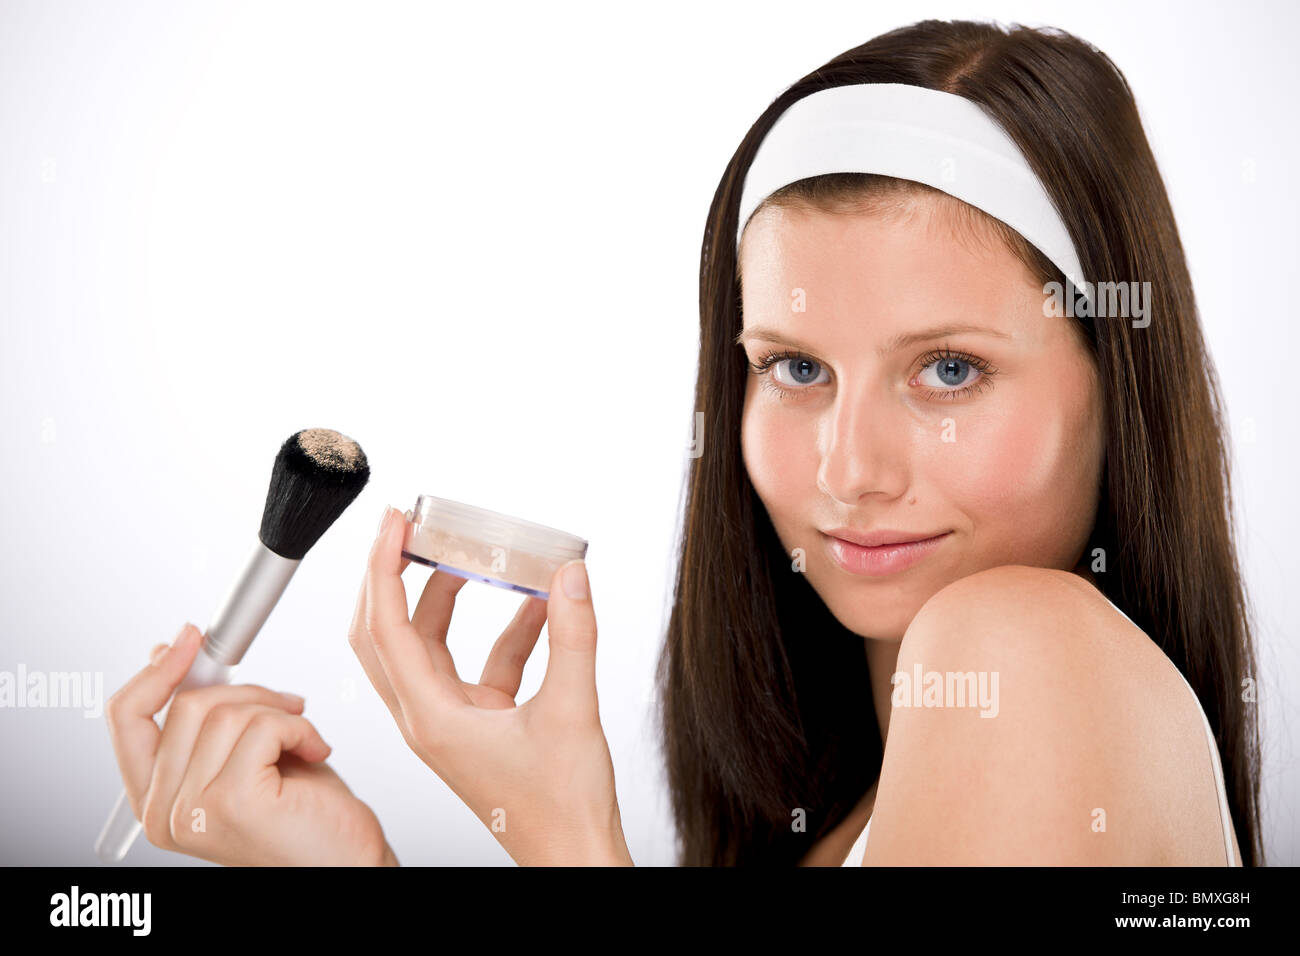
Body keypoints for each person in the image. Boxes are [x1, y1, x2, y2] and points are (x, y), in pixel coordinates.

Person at [104, 19, 1262, 867]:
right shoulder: (840, 807)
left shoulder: (1025, 649)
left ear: (1115, 381)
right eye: (795, 368)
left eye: (948, 369)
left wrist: (560, 829)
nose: (848, 470)